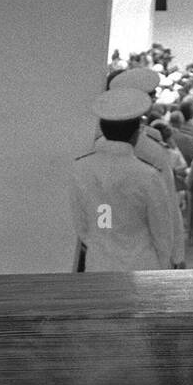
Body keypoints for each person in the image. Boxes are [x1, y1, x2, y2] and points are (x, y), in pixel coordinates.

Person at [70, 87, 173, 271]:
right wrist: (164, 267)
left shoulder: (81, 169)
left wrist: (105, 242)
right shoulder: (148, 175)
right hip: (141, 266)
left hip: (99, 265)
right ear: (135, 135)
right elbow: (162, 233)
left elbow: (82, 225)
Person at [107, 66, 186, 267]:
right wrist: (176, 255)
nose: (154, 99)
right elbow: (166, 207)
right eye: (150, 95)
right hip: (145, 253)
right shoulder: (150, 149)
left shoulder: (97, 145)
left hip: (109, 249)